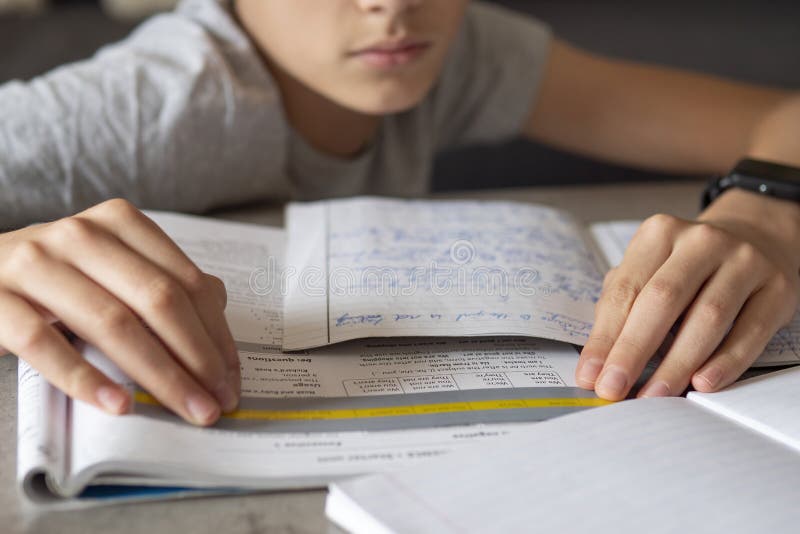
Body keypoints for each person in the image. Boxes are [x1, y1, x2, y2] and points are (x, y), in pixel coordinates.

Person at [0, 0, 798, 426]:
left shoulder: (459, 50)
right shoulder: (148, 107)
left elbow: (777, 119)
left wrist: (764, 210)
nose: (392, 6)